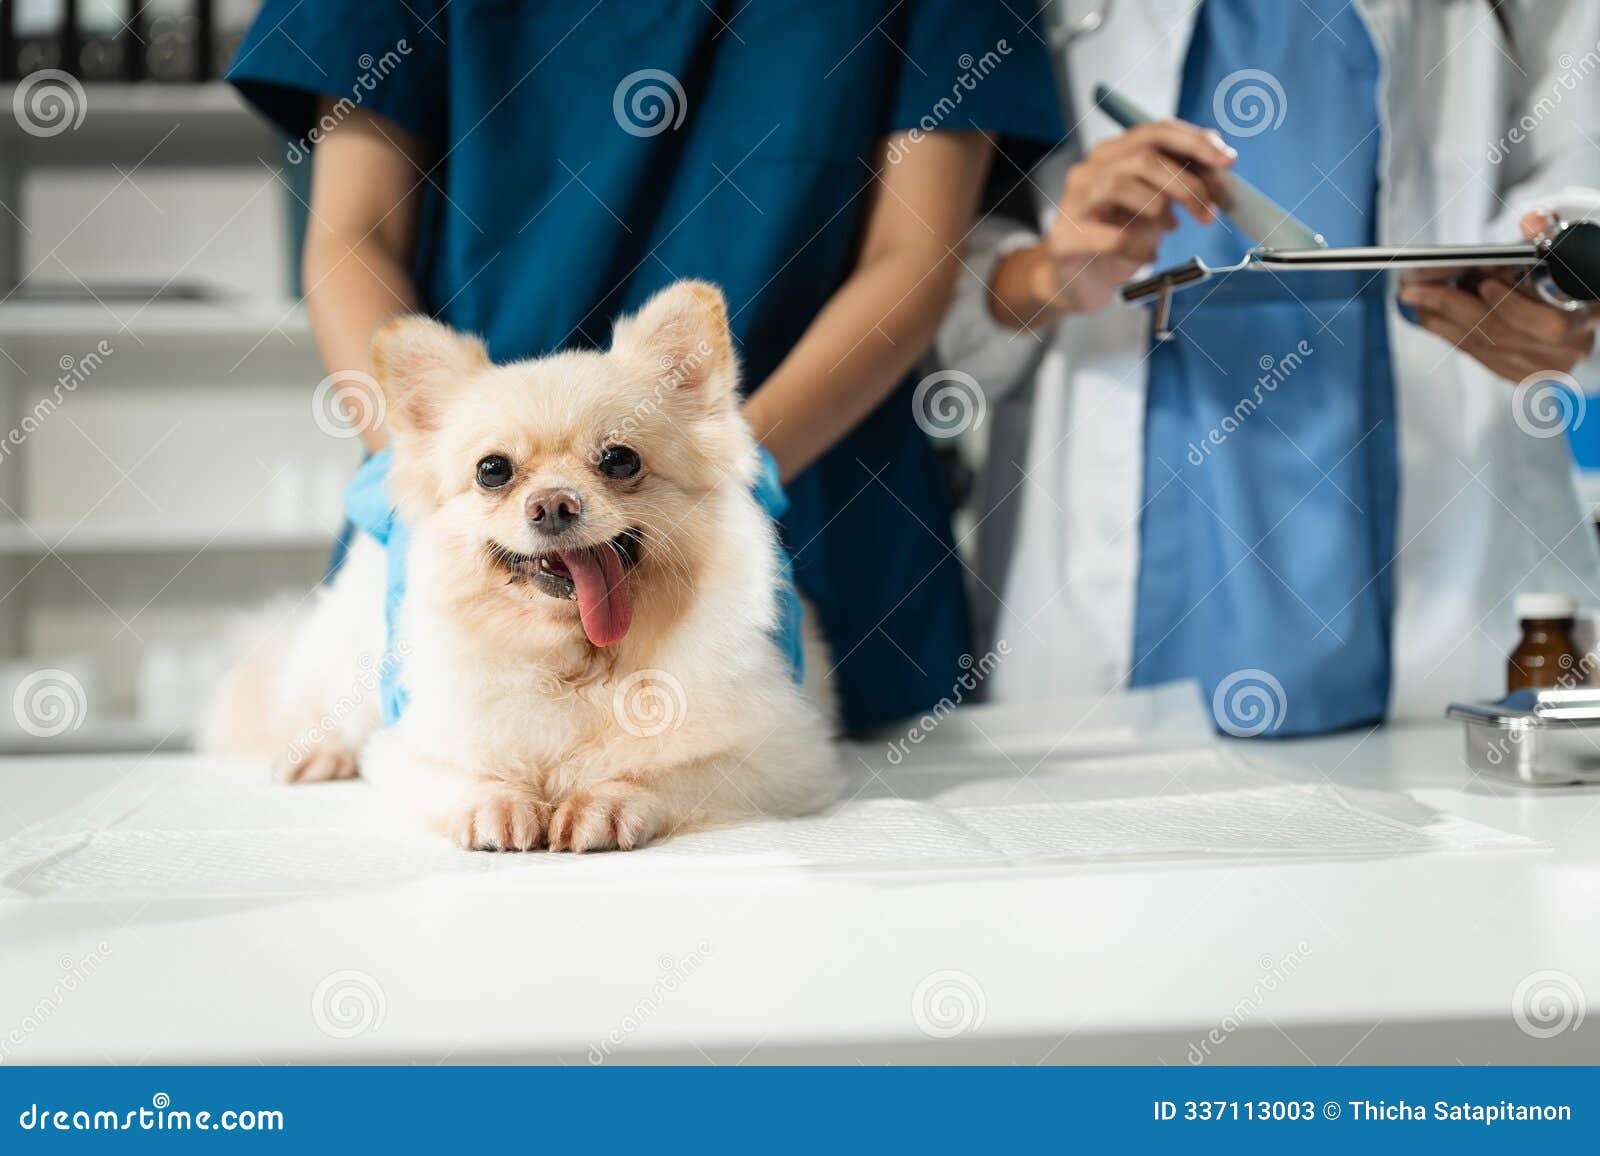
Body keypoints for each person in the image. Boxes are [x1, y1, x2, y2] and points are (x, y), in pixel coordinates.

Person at [227, 2, 1060, 732]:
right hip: (475, 559)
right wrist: (415, 464)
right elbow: (353, 235)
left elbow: (913, 255)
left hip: (827, 527)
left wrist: (728, 467)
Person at [939, 0, 1600, 735]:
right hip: (1098, 567)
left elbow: (1579, 171)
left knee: (1463, 825)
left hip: (1458, 563)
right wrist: (1042, 274)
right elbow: (924, 281)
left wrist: (1563, 295)